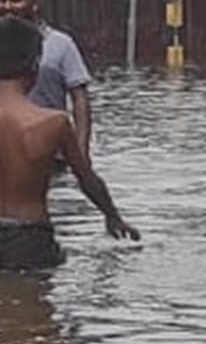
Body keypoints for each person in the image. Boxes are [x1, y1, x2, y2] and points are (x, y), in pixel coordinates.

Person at [0, 18, 137, 271]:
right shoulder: (53, 123)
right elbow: (86, 178)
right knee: (31, 304)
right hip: (29, 238)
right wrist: (113, 217)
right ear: (35, 65)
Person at [0, 0, 92, 160]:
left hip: (50, 150)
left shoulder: (60, 44)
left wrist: (81, 149)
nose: (8, 7)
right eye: (3, 1)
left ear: (34, 4)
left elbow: (80, 98)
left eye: (16, 1)